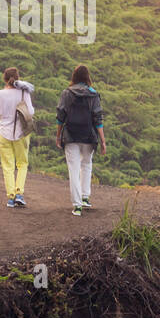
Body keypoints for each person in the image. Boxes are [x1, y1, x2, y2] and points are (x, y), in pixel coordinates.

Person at [55, 65, 106, 215]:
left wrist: (58, 136)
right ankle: (85, 197)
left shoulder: (67, 93)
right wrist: (102, 141)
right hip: (89, 136)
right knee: (87, 164)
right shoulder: (94, 94)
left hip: (70, 135)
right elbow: (98, 119)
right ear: (87, 77)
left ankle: (77, 206)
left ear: (74, 77)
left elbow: (60, 117)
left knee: (74, 169)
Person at [0, 67, 34, 208]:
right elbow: (30, 111)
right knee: (22, 164)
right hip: (21, 133)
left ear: (4, 78)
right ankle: (19, 194)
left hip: (4, 132)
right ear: (18, 78)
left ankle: (11, 197)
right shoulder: (24, 93)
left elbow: (0, 113)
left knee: (8, 166)